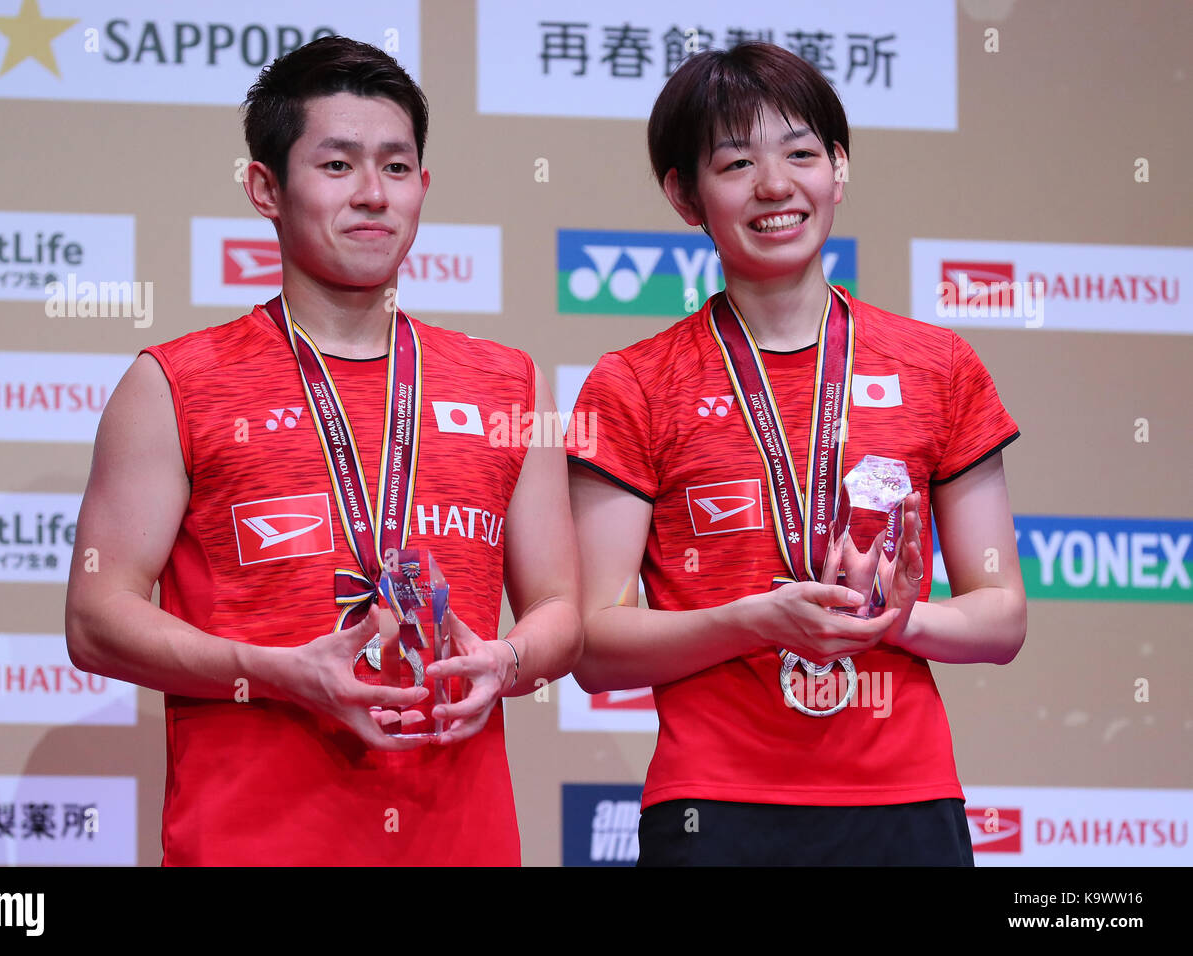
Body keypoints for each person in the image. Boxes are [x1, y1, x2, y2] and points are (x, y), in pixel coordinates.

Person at [65, 36, 581, 866]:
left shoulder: (510, 385)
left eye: (397, 167)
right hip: (248, 843)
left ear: (423, 186)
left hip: (464, 841)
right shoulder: (172, 382)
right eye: (337, 167)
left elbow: (560, 607)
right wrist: (277, 671)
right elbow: (96, 621)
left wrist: (507, 660)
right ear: (266, 188)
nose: (374, 196)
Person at [566, 42, 1026, 866]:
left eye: (803, 153)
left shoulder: (937, 366)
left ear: (839, 169)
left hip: (906, 802)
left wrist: (898, 617)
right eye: (736, 162)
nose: (775, 186)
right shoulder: (633, 383)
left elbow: (1002, 616)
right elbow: (595, 647)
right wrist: (754, 620)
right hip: (715, 807)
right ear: (684, 195)